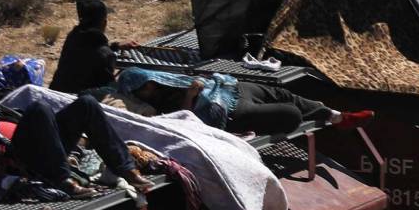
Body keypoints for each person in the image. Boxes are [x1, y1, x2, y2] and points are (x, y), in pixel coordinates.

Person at [115, 69, 369, 135]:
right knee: (289, 114)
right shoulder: (160, 106)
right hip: (228, 110)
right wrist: (191, 97)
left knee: (285, 94)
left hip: (231, 89)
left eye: (148, 82)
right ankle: (324, 117)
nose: (149, 87)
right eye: (143, 88)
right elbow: (182, 120)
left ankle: (335, 116)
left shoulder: (166, 81)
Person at [9, 92, 154, 193]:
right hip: (24, 153)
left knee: (87, 103)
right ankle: (63, 180)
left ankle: (126, 169)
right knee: (39, 107)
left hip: (49, 147)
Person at [50, 0, 122, 96]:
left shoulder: (72, 37)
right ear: (104, 23)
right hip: (79, 103)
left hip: (54, 94)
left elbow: (88, 52)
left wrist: (114, 47)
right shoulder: (105, 55)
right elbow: (106, 90)